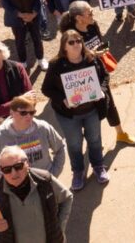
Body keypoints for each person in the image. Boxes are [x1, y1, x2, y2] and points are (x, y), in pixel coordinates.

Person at [58, 1, 135, 146]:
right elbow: (70, 58)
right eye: (89, 13)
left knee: (109, 104)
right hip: (83, 79)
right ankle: (93, 142)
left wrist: (100, 51)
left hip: (98, 72)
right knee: (88, 112)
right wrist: (93, 53)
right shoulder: (70, 36)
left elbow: (99, 42)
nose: (92, 15)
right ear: (79, 18)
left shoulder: (93, 25)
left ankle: (120, 134)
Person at [42, 30, 111, 191]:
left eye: (79, 40)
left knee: (94, 140)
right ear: (64, 46)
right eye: (71, 42)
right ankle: (78, 172)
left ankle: (98, 166)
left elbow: (105, 76)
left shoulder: (91, 59)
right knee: (74, 144)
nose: (76, 44)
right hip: (69, 115)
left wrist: (101, 90)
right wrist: (62, 100)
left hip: (91, 110)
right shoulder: (56, 65)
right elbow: (46, 89)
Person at [0, 146, 73, 242]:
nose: (13, 173)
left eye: (18, 166)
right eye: (7, 170)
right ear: (1, 171)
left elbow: (67, 198)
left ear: (27, 163)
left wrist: (59, 227)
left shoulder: (44, 180)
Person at [0, 95, 66, 178]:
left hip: (44, 183)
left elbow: (60, 148)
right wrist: (4, 178)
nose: (28, 116)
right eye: (23, 113)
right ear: (12, 112)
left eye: (32, 112)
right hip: (16, 190)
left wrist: (53, 174)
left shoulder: (43, 128)